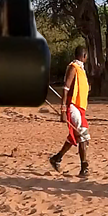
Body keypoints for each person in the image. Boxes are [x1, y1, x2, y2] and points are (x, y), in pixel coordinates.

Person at [47, 45, 92, 179]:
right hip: (72, 106)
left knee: (75, 136)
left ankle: (57, 158)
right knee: (83, 135)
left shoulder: (80, 69)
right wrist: (63, 110)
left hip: (80, 107)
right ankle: (84, 167)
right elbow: (66, 89)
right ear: (84, 56)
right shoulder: (73, 68)